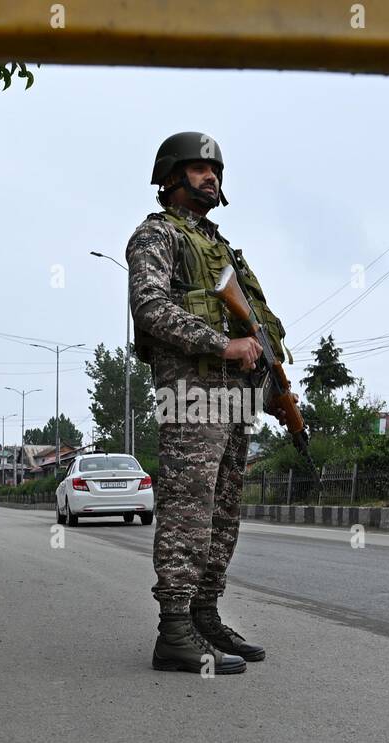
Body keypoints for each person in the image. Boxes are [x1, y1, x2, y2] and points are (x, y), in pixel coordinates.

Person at [126, 131, 291, 675]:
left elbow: (253, 325)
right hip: (191, 395)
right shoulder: (156, 235)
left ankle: (204, 613)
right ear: (171, 177)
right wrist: (222, 344)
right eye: (198, 169)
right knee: (188, 509)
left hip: (235, 398)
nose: (211, 177)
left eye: (215, 170)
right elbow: (149, 308)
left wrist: (270, 378)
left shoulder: (221, 248)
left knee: (222, 510)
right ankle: (174, 630)